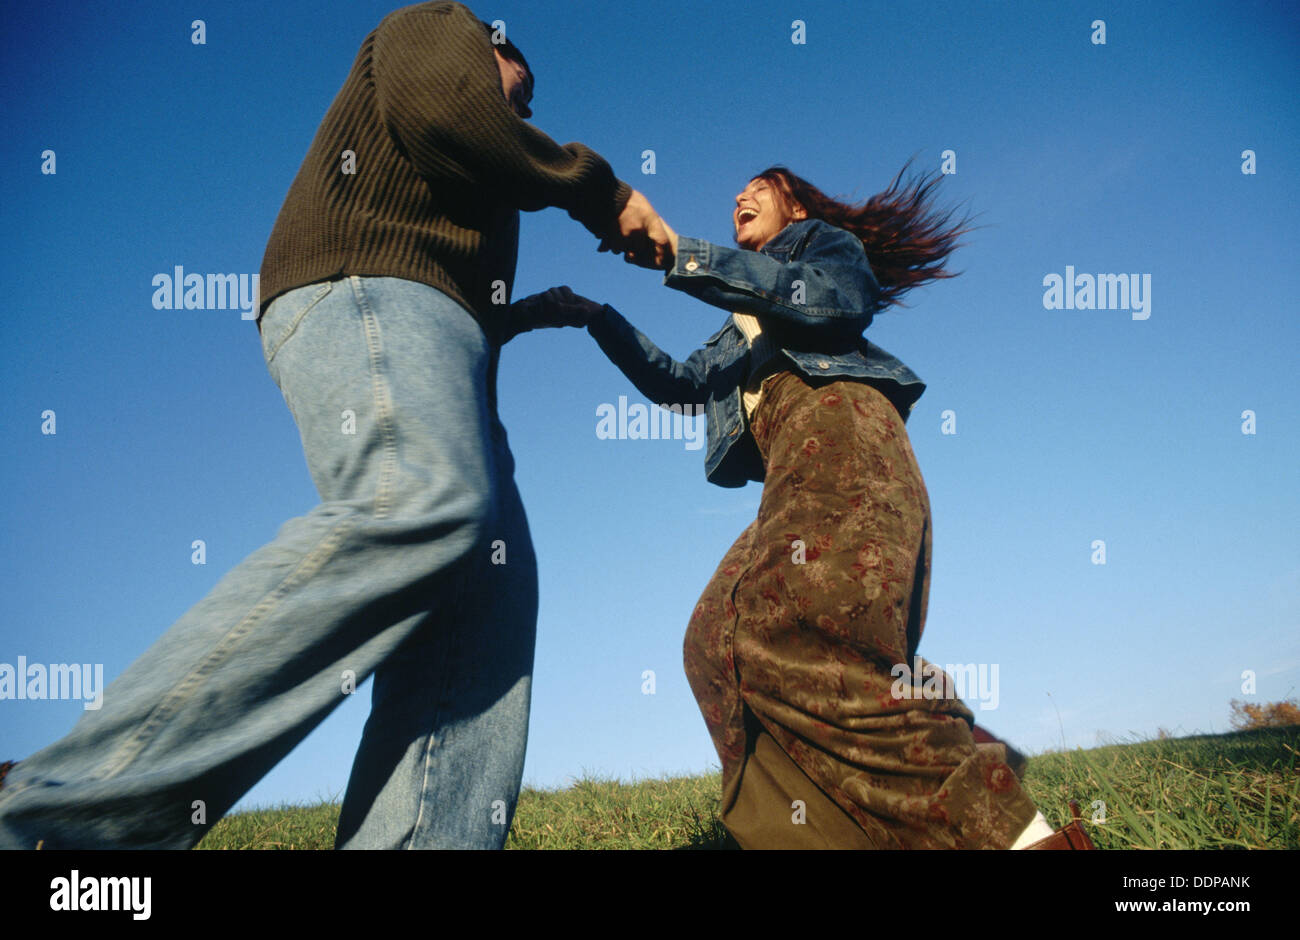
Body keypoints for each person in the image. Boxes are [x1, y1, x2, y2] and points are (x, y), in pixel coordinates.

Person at [0, 0, 670, 850]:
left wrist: (523, 312)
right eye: (520, 89)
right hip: (364, 282)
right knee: (421, 500)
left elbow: (450, 289)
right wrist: (603, 195)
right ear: (490, 51)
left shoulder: (477, 191)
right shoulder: (441, 25)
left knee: (485, 610)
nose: (524, 112)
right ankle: (60, 818)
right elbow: (449, 115)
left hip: (438, 334)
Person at [512, 164, 1092, 849]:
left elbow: (829, 302)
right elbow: (679, 386)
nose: (738, 199)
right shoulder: (739, 322)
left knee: (808, 636)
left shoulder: (824, 247)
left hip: (844, 434)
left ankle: (1020, 840)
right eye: (733, 197)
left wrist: (681, 253)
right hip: (793, 467)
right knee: (714, 643)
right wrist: (594, 318)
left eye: (756, 189)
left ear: (794, 203)